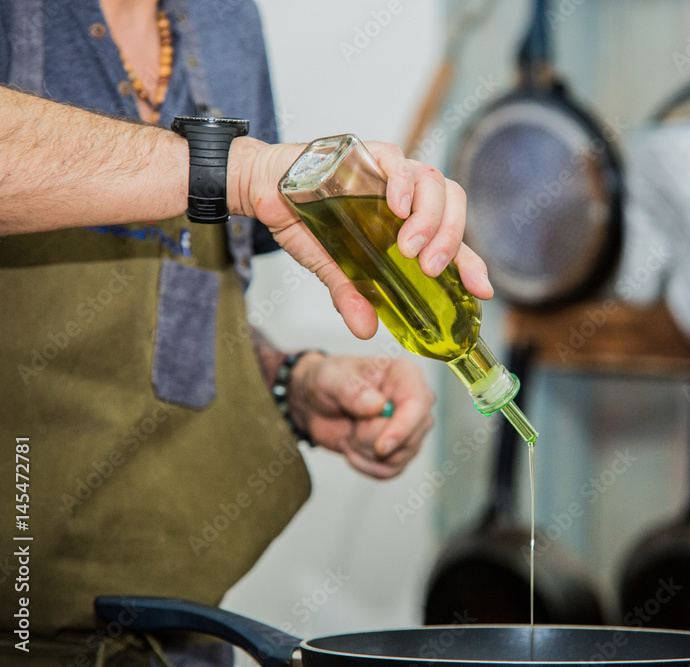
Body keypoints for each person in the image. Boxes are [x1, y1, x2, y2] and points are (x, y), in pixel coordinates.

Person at [0, 1, 491, 665]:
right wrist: (233, 169)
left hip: (180, 639)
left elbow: (182, 302)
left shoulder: (224, 22)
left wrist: (292, 381)